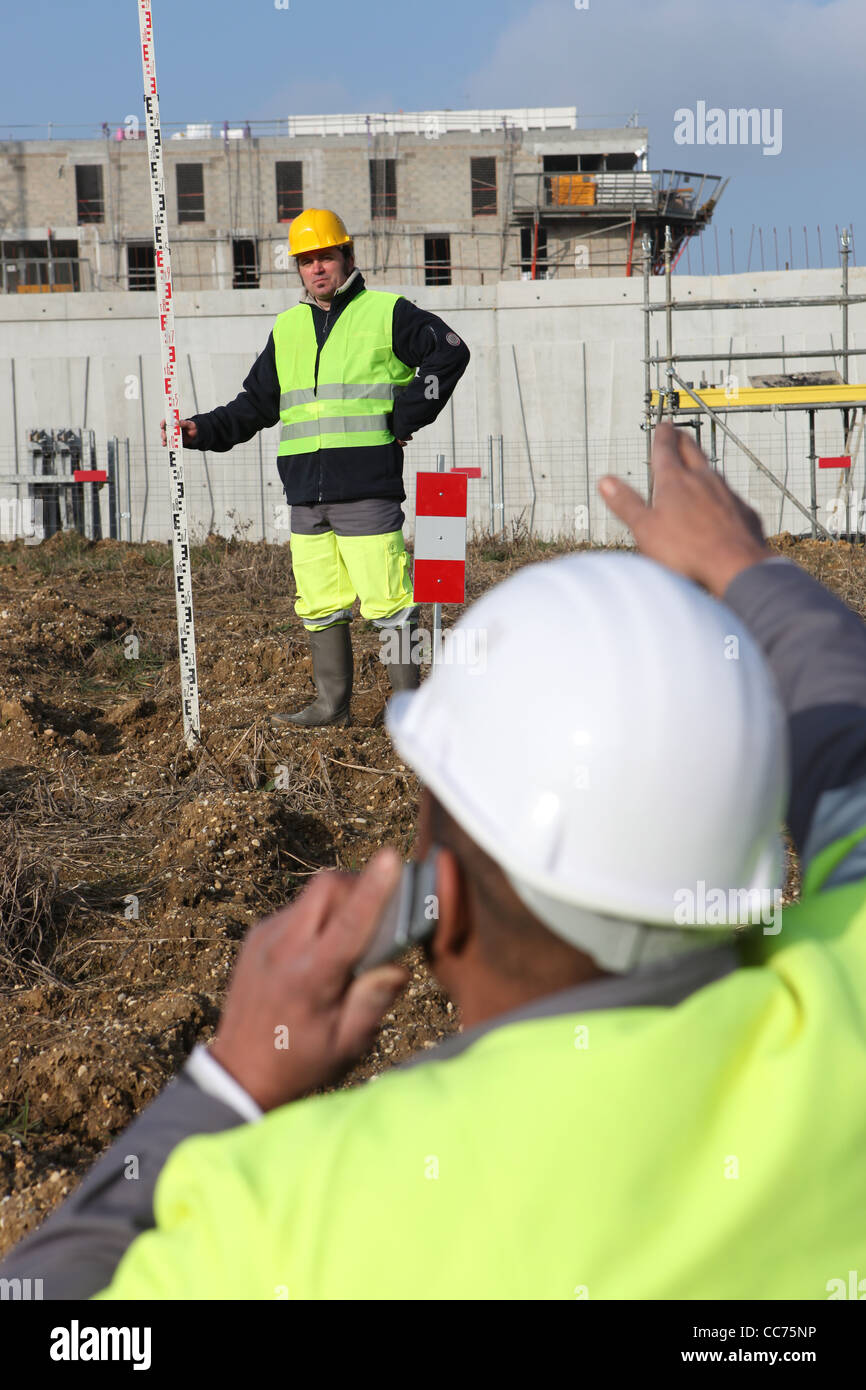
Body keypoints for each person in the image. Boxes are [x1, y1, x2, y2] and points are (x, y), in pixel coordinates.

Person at [4, 423, 866, 1298]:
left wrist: (234, 1078)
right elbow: (851, 743)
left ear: (437, 904)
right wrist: (746, 566)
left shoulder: (309, 1217)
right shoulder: (847, 1020)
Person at [160, 207, 470, 727]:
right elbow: (255, 405)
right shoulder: (288, 328)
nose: (316, 268)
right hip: (305, 493)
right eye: (306, 261)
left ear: (347, 256)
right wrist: (200, 430)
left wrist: (406, 415)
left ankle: (411, 711)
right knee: (320, 601)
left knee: (389, 601)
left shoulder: (387, 312)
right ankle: (332, 708)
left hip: (367, 486)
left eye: (325, 256)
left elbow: (451, 352)